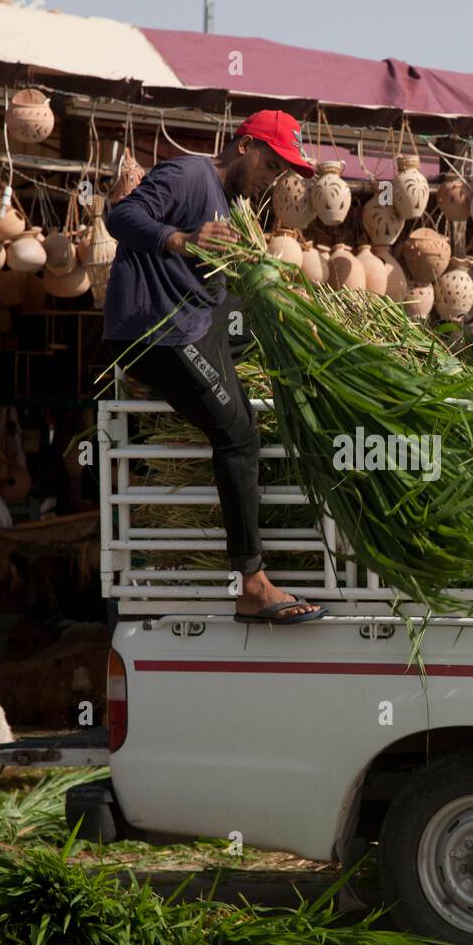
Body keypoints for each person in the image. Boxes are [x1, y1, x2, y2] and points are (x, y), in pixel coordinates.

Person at [103, 109, 326, 624]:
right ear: (244, 146)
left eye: (281, 172)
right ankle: (251, 584)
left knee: (263, 352)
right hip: (158, 331)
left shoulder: (230, 203)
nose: (273, 180)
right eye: (271, 165)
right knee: (239, 436)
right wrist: (181, 241)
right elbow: (120, 218)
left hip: (195, 322)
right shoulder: (189, 175)